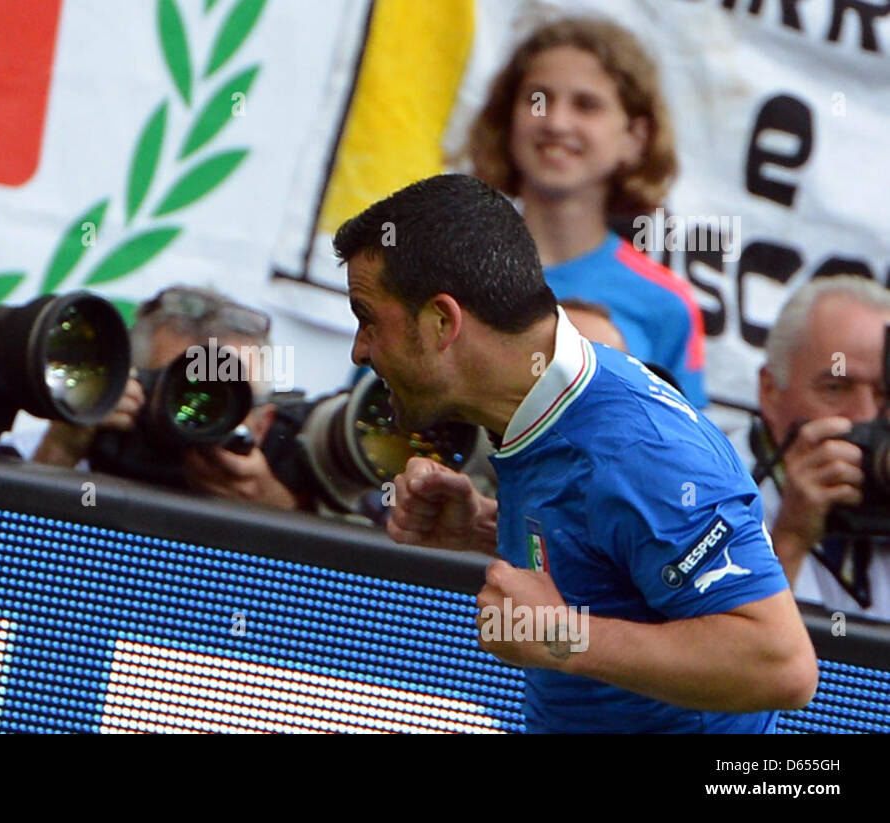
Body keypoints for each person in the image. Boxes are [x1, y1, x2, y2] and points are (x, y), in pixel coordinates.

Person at [334, 173, 816, 733]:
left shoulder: (642, 450)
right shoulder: (543, 404)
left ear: (443, 322)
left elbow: (782, 665)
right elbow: (622, 550)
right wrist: (488, 527)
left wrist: (565, 638)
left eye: (368, 319)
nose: (360, 349)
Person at [459, 17, 707, 407]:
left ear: (634, 137)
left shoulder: (667, 306)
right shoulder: (442, 267)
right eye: (538, 99)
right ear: (507, 120)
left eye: (586, 105)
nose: (557, 123)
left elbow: (684, 457)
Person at [32, 285, 302, 510]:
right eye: (179, 388)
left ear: (263, 423)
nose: (194, 412)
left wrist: (274, 508)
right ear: (125, 387)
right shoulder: (78, 441)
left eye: (219, 397)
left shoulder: (290, 474)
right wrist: (62, 449)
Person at [756, 275, 890, 622]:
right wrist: (791, 537)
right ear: (770, 390)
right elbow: (725, 661)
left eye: (884, 395)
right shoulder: (708, 482)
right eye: (836, 387)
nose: (865, 415)